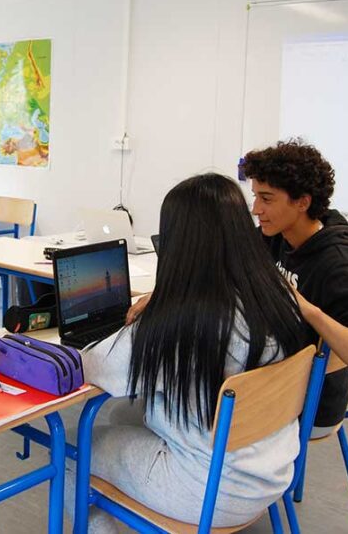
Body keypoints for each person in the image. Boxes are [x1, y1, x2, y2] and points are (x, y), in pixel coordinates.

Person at [70, 173, 309, 532]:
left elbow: (91, 367)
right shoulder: (280, 296)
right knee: (123, 412)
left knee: (80, 440)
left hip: (209, 489)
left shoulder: (182, 324)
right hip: (273, 470)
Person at [242, 139, 348, 435]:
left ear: (302, 202)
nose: (256, 209)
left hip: (313, 404)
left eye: (267, 198)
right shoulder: (275, 234)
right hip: (279, 379)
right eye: (255, 197)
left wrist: (307, 309)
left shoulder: (340, 266)